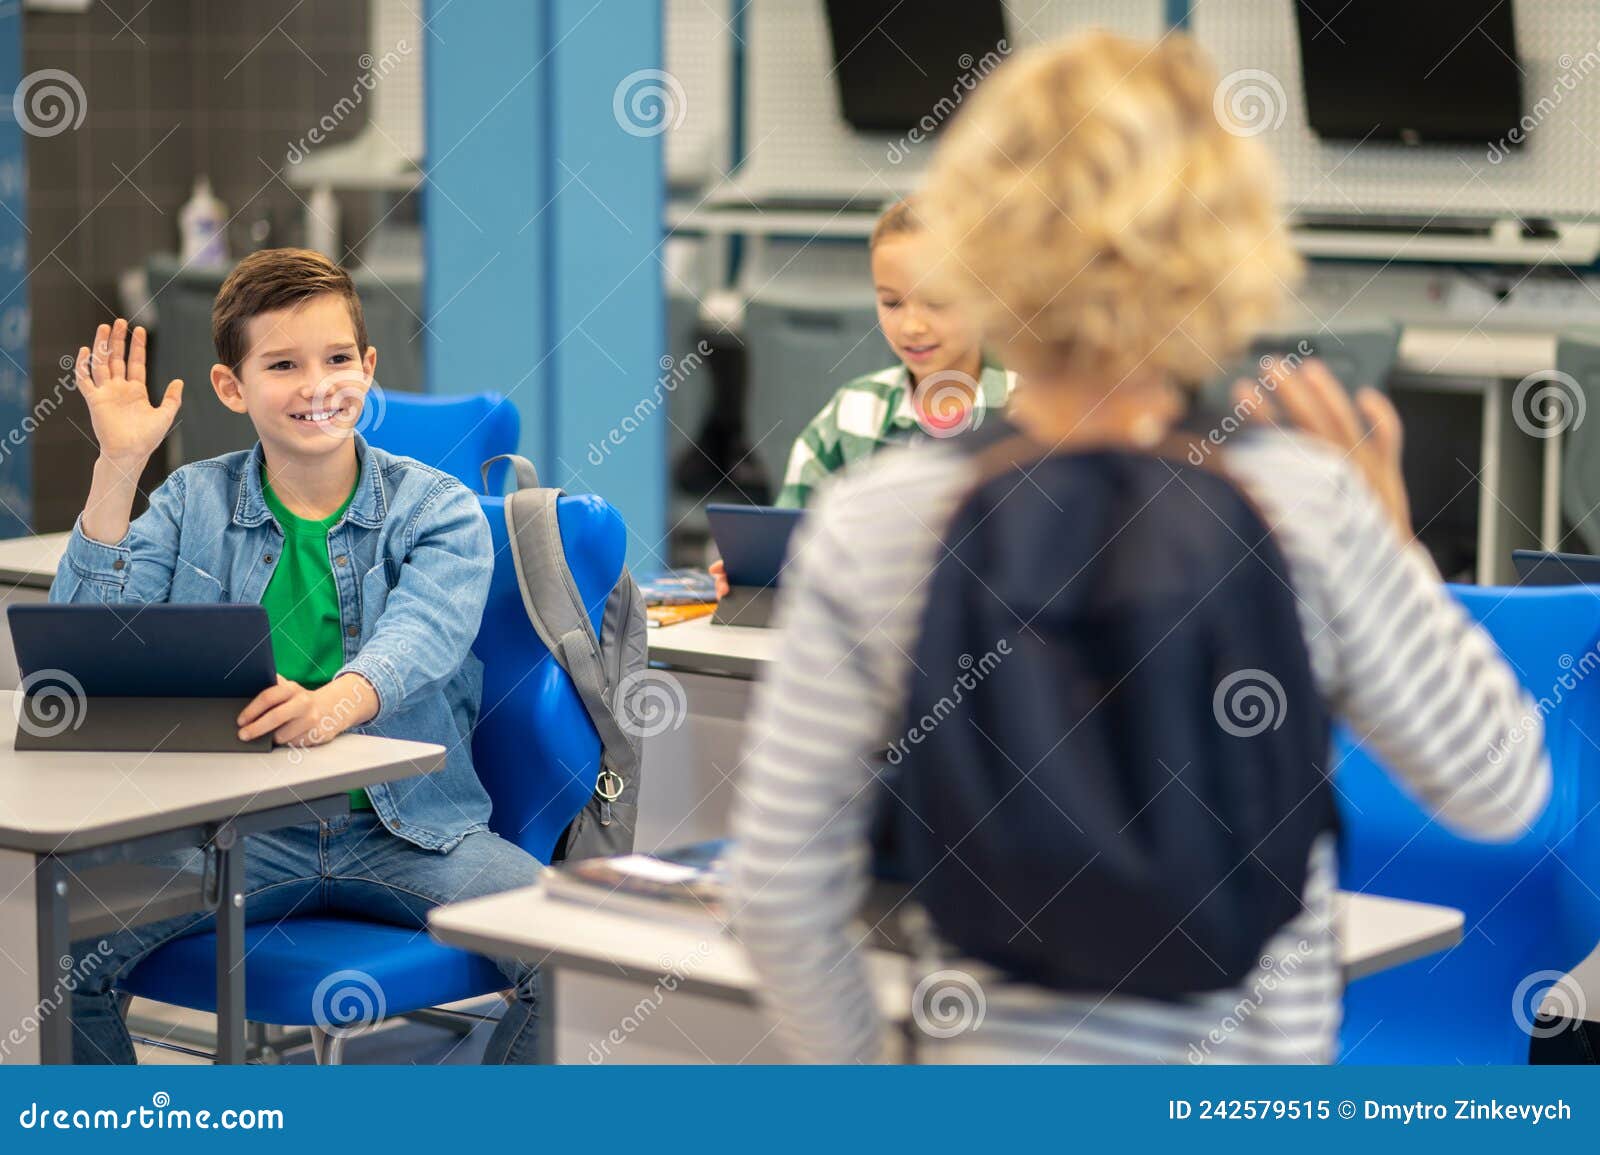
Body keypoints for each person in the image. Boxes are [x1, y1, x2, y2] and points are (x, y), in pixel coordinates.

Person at [727, 31, 1550, 1063]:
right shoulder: (1303, 500)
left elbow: (778, 894)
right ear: (1228, 239)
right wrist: (1396, 549)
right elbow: (1499, 786)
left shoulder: (880, 515)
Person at [54, 248, 542, 1064]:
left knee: (576, 947)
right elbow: (87, 650)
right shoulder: (189, 502)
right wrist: (120, 466)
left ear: (369, 367)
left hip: (412, 831)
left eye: (339, 358)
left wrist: (333, 703)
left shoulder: (440, 509)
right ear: (231, 387)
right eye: (283, 363)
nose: (318, 385)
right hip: (230, 837)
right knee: (55, 953)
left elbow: (422, 635)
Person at [710, 198, 1015, 596]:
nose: (912, 325)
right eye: (892, 303)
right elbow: (791, 546)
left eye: (937, 301)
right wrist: (758, 576)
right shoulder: (851, 414)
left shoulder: (1030, 412)